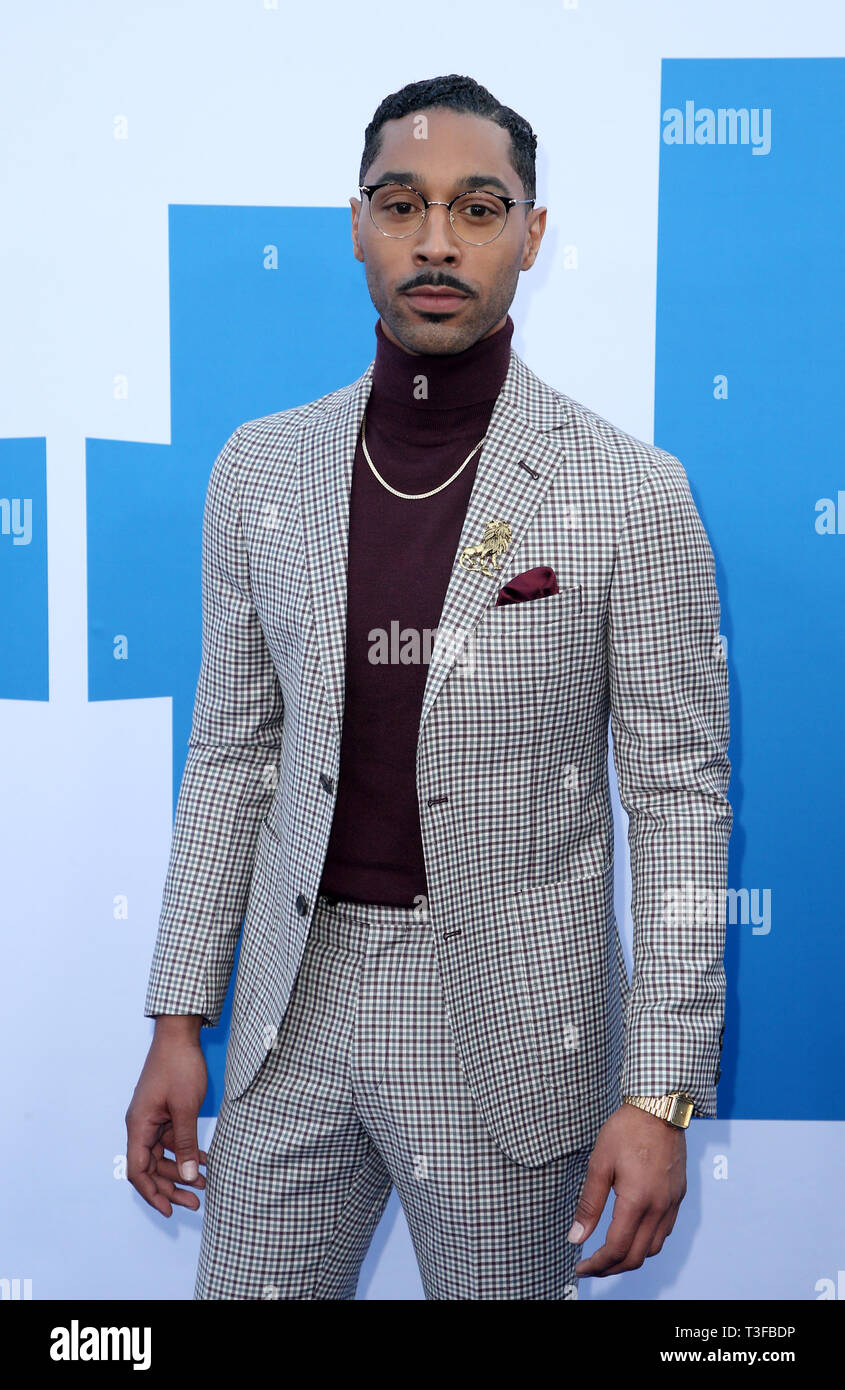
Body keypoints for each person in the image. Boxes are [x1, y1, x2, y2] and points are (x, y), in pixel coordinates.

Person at [125, 73, 732, 1301]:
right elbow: (231, 754)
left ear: (531, 235)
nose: (437, 241)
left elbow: (677, 799)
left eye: (477, 206)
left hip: (510, 1028)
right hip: (291, 1012)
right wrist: (177, 1018)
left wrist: (658, 1090)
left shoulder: (630, 490)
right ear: (356, 224)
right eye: (402, 204)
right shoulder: (260, 469)